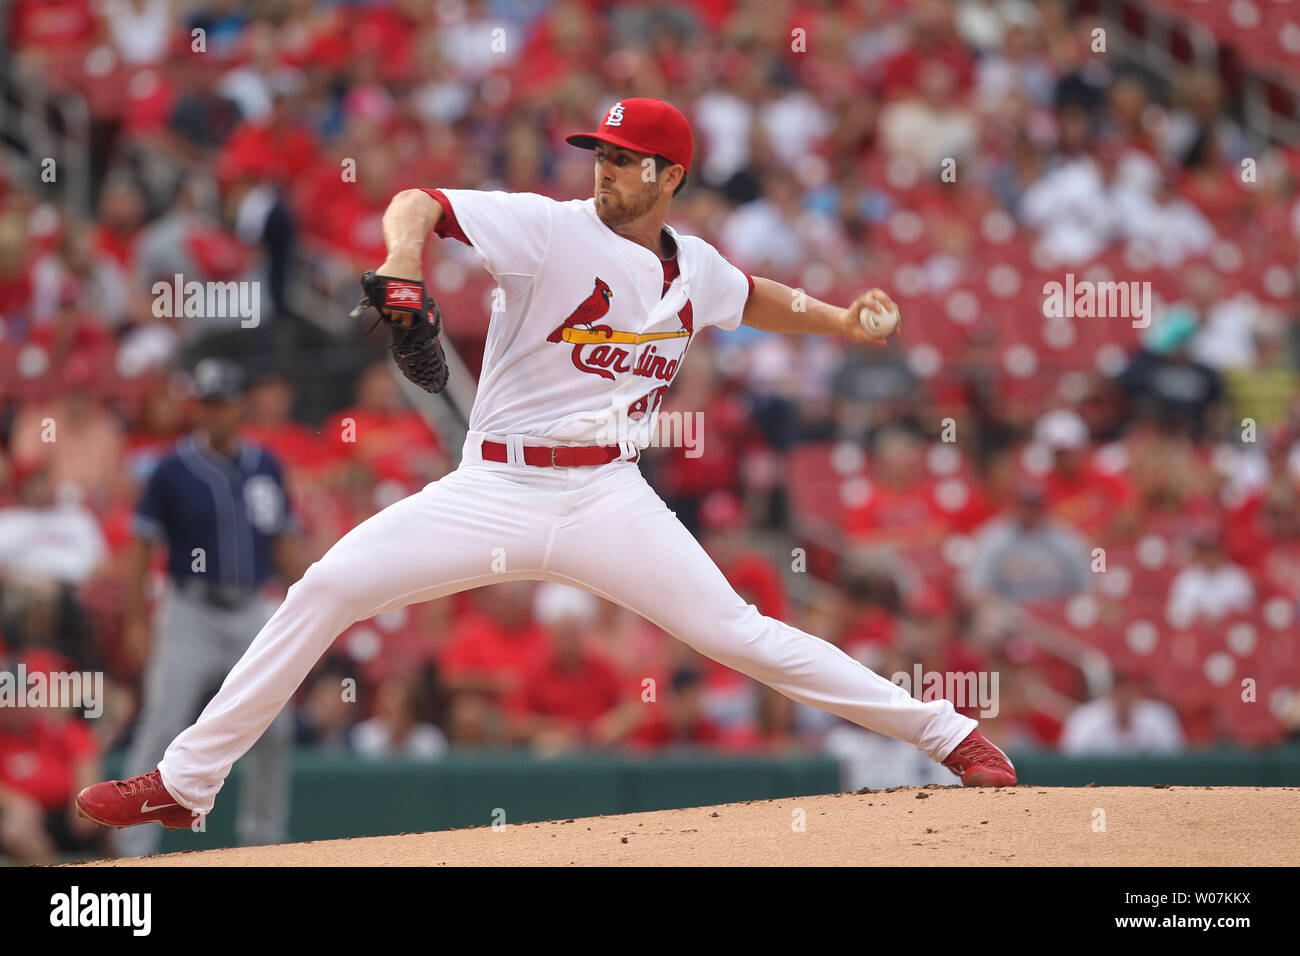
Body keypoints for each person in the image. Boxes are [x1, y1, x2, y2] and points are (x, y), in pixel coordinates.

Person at [77, 98, 1016, 840]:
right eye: (598, 154)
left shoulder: (698, 268)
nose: (603, 170)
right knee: (325, 588)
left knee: (742, 633)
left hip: (609, 494)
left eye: (622, 158)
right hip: (494, 486)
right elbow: (421, 203)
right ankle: (182, 782)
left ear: (670, 174)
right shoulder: (550, 229)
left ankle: (951, 736)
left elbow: (756, 298)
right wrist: (403, 260)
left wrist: (844, 319)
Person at [108, 358, 306, 856]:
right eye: (207, 403)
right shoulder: (171, 469)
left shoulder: (266, 465)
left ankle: (263, 844)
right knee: (162, 723)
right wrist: (136, 620)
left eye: (223, 402)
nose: (214, 412)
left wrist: (309, 603)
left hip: (250, 609)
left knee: (275, 728)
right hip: (189, 613)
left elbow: (283, 544)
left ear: (240, 404)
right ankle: (134, 851)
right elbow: (138, 551)